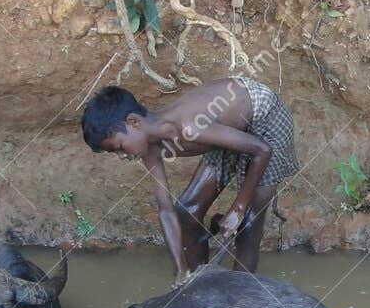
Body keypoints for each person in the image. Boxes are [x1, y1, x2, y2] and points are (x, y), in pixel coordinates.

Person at [81, 77, 299, 279]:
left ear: (133, 122)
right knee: (186, 211)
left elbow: (262, 150)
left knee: (248, 224)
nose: (121, 156)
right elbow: (166, 209)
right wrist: (180, 269)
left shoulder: (190, 126)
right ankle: (198, 282)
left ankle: (240, 301)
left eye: (120, 148)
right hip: (225, 132)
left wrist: (238, 208)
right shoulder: (150, 149)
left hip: (265, 121)